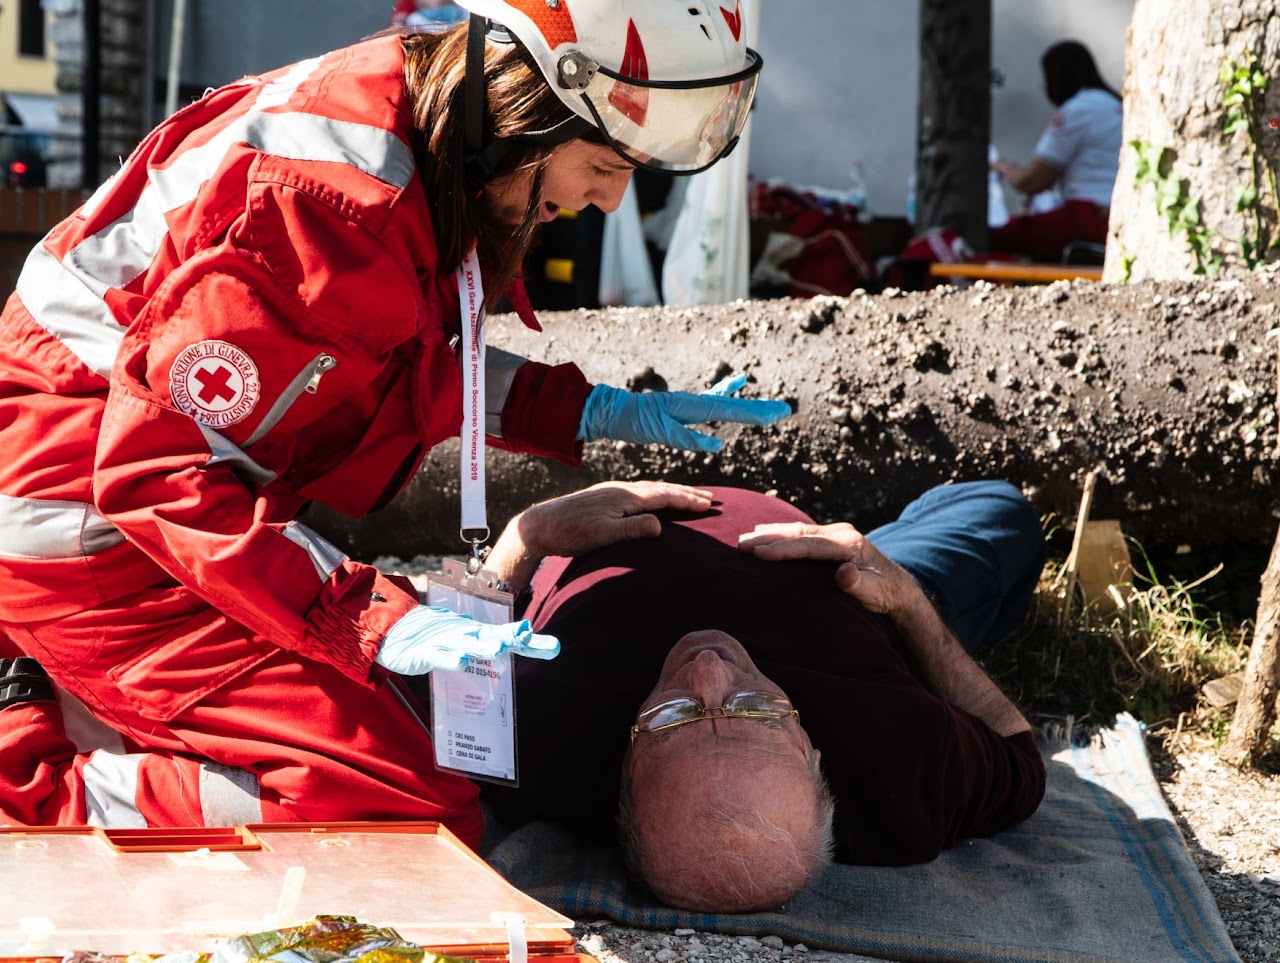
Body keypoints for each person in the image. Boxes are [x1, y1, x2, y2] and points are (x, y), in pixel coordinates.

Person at [0, 0, 779, 839]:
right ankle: (35, 784)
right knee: (403, 802)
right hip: (81, 525)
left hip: (122, 489)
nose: (610, 200)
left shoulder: (420, 127)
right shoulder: (335, 207)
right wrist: (370, 617)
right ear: (527, 104)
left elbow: (385, 355)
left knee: (412, 748)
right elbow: (153, 474)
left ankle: (69, 696)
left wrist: (586, 409)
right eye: (601, 162)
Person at [476, 479, 1049, 912]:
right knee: (1000, 510)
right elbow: (1017, 750)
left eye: (674, 718)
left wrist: (525, 538)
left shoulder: (528, 745)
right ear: (811, 752)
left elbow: (438, 651)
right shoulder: (905, 767)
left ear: (626, 768)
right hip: (845, 571)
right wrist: (905, 598)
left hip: (608, 522)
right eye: (756, 711)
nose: (708, 669)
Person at [989, 40, 1123, 263]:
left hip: (1088, 216)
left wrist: (1001, 165)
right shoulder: (1114, 104)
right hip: (1116, 213)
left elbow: (1029, 181)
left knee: (995, 238)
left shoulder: (1078, 109)